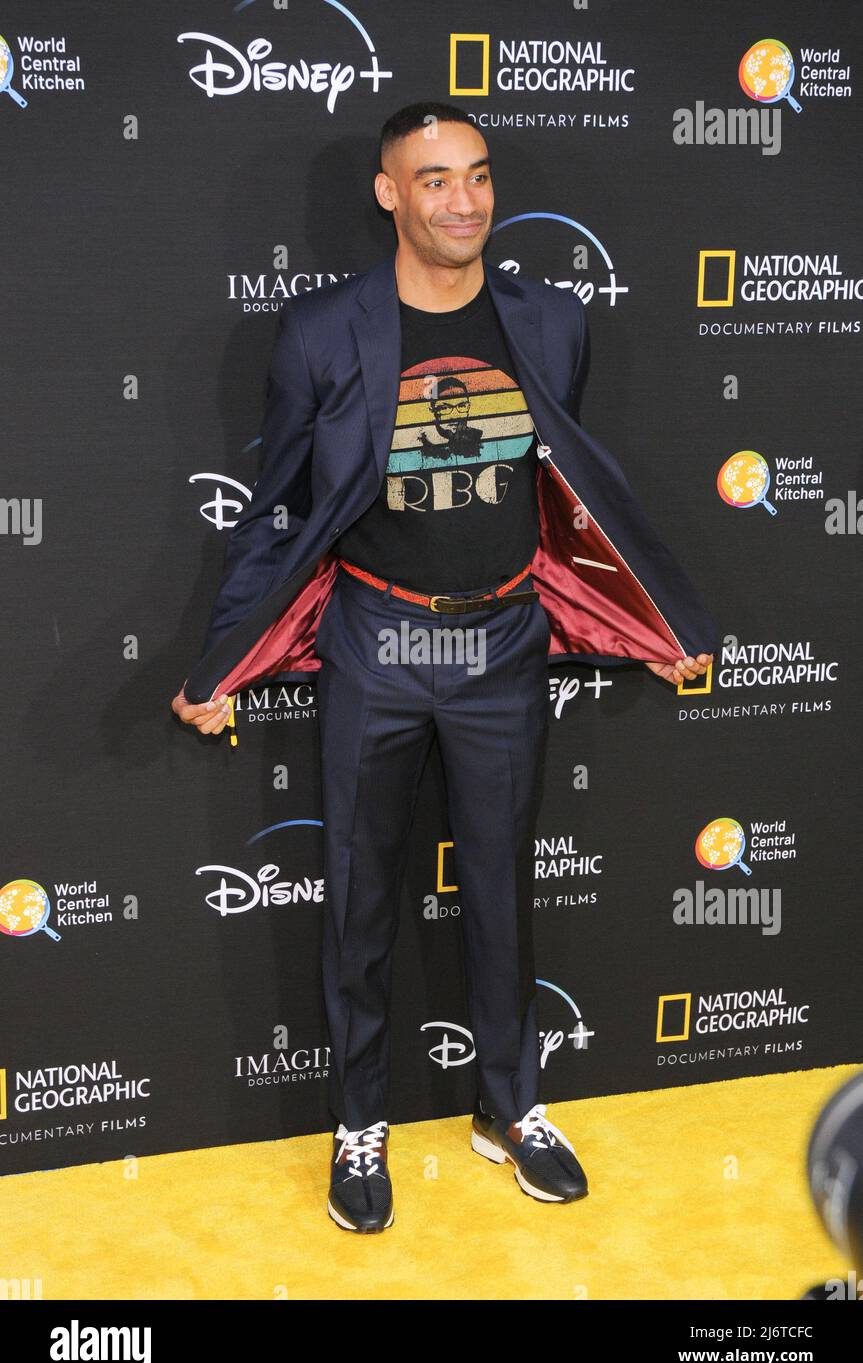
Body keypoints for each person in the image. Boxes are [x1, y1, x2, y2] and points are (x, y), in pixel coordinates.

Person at [172, 102, 716, 1234]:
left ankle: (508, 1109)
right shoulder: (322, 331)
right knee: (360, 902)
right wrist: (222, 657)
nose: (461, 200)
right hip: (376, 639)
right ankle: (358, 1122)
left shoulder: (549, 320)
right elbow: (274, 514)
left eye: (474, 176)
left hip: (502, 644)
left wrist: (655, 624)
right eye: (432, 180)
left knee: (504, 898)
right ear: (388, 194)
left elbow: (576, 495)